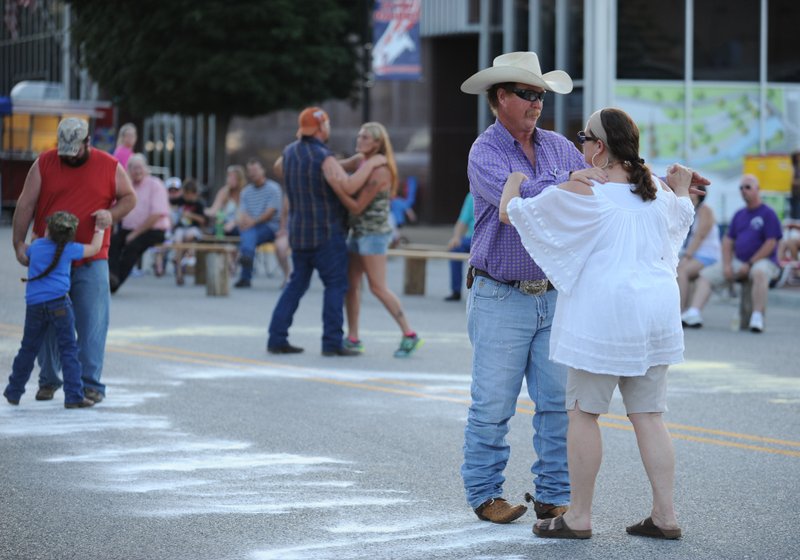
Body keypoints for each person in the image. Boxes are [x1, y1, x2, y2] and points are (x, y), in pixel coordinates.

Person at [500, 107, 698, 540]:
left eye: (583, 138)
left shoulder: (585, 191)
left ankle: (579, 516)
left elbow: (515, 214)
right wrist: (681, 190)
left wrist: (515, 182)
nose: (579, 146)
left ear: (600, 146)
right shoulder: (658, 193)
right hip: (655, 312)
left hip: (605, 315)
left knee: (584, 414)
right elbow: (680, 222)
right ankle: (665, 516)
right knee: (649, 415)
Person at [458, 51, 603, 525]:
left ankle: (553, 496)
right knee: (493, 405)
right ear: (501, 97)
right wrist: (566, 184)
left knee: (557, 407)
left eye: (541, 94)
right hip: (500, 292)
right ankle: (485, 495)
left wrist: (665, 184)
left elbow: (602, 184)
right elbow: (520, 202)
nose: (537, 102)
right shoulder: (486, 150)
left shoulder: (560, 146)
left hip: (553, 294)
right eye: (527, 93)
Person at [12, 117, 136, 403]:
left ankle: (90, 384)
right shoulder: (44, 163)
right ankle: (49, 379)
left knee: (92, 322)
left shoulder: (109, 166)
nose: (68, 156)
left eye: (74, 151)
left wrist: (112, 215)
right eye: (63, 150)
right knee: (45, 322)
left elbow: (130, 198)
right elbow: (26, 203)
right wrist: (18, 243)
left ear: (87, 143)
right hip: (50, 260)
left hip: (91, 257)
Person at [267, 107, 386, 356]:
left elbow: (279, 167)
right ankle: (332, 342)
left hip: (298, 233)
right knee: (335, 286)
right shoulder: (325, 157)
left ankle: (277, 338)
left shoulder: (289, 153)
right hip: (326, 233)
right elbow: (347, 186)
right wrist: (370, 163)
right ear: (322, 128)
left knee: (295, 285)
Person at [328, 122, 422, 358]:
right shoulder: (362, 160)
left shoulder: (380, 170)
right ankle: (353, 337)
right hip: (358, 232)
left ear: (377, 143)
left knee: (377, 287)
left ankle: (409, 334)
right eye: (359, 135)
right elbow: (336, 166)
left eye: (366, 138)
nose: (360, 140)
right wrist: (323, 163)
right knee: (351, 285)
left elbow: (357, 206)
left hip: (374, 234)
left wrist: (337, 187)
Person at [4, 212, 106, 409]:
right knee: (68, 350)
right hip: (60, 305)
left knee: (28, 349)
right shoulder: (70, 249)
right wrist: (100, 228)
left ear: (48, 229)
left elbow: (29, 249)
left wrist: (30, 240)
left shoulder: (36, 247)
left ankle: (14, 391)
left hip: (34, 305)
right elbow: (94, 248)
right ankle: (73, 395)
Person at [681, 174, 782, 332]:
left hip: (764, 262)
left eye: (748, 187)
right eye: (741, 188)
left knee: (759, 272)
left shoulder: (768, 213)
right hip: (739, 261)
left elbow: (771, 243)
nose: (743, 190)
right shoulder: (739, 214)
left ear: (757, 189)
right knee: (706, 276)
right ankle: (694, 313)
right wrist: (727, 265)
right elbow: (728, 242)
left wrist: (750, 263)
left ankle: (757, 317)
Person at [108, 153, 171, 293]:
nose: (137, 171)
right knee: (113, 242)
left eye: (139, 167)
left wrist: (135, 234)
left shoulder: (156, 184)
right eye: (133, 168)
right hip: (129, 228)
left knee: (132, 246)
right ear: (128, 170)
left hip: (153, 230)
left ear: (146, 168)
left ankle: (115, 283)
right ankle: (111, 276)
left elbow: (156, 215)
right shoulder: (128, 186)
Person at [233, 158, 284, 288]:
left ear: (263, 171)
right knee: (248, 232)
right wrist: (246, 221)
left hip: (270, 227)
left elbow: (271, 212)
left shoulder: (273, 188)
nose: (253, 173)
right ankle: (248, 257)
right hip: (251, 226)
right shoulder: (246, 192)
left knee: (248, 234)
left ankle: (245, 275)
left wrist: (252, 222)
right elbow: (242, 211)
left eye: (255, 170)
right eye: (250, 171)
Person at [677, 185, 720, 311]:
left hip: (706, 255)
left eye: (693, 189)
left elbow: (700, 236)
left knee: (681, 272)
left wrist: (687, 256)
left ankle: (680, 310)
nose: (689, 191)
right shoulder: (690, 210)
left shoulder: (705, 210)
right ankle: (683, 309)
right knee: (675, 270)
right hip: (693, 254)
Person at [171, 178, 207, 286]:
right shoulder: (180, 200)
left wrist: (191, 215)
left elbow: (203, 220)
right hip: (181, 228)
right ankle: (179, 274)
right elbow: (169, 202)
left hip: (192, 229)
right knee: (178, 241)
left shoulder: (199, 203)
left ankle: (182, 259)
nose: (188, 198)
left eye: (190, 195)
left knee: (190, 236)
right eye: (186, 195)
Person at [444, 192, 474, 301]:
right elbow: (462, 220)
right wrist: (456, 237)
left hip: (489, 238)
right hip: (472, 237)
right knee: (455, 247)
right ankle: (455, 290)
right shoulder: (472, 195)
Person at [205, 164, 246, 237]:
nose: (229, 179)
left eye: (233, 177)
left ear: (239, 179)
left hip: (239, 225)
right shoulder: (224, 192)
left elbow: (243, 215)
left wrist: (233, 223)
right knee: (216, 230)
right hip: (223, 224)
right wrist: (201, 210)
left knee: (236, 231)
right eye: (229, 176)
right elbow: (214, 210)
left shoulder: (245, 193)